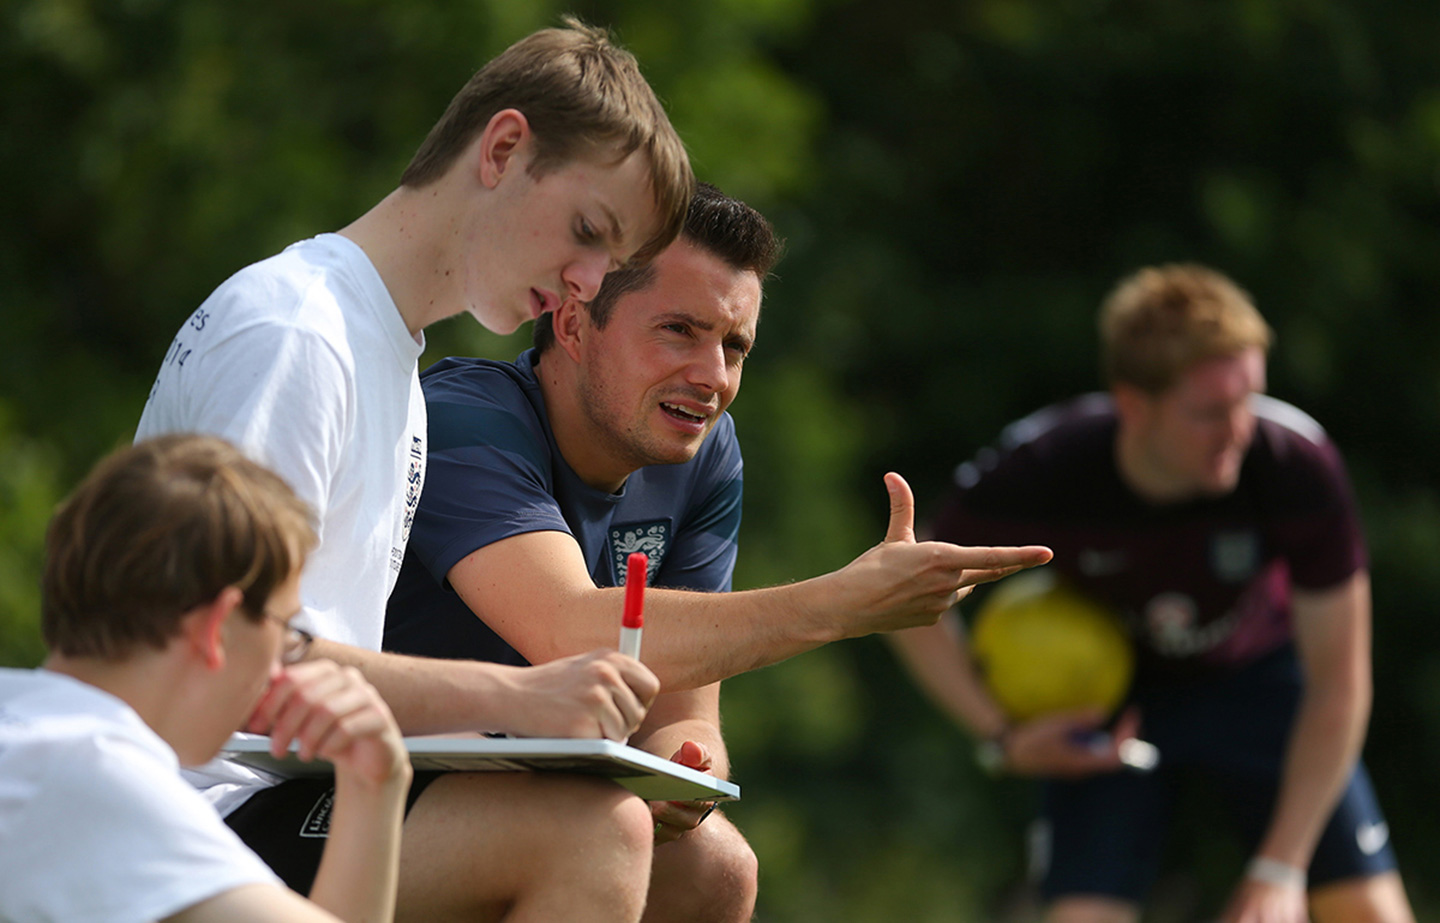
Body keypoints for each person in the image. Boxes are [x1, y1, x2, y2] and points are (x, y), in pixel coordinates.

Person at [383, 182, 1055, 922]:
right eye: (679, 330)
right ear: (573, 324)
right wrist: (840, 603)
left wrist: (685, 769)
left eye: (734, 345)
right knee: (602, 829)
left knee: (719, 869)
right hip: (332, 794)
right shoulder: (464, 419)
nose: (714, 378)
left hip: (505, 805)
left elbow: (684, 710)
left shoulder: (701, 453)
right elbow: (564, 629)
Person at [134, 18, 681, 921]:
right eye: (588, 231)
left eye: (612, 263)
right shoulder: (297, 335)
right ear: (503, 148)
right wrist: (525, 700)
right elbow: (236, 662)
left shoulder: (389, 360)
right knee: (596, 832)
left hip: (274, 795)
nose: (588, 281)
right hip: (183, 818)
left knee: (696, 864)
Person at [890, 264, 1416, 923]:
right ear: (1135, 405)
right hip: (1108, 700)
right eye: (1209, 411)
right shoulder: (1047, 466)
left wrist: (1280, 869)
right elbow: (905, 600)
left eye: (1248, 398)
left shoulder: (1296, 466)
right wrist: (1002, 735)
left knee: (1374, 913)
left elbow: (1340, 678)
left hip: (1262, 684)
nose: (1238, 430)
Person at [0, 434, 410, 923]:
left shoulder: (35, 734)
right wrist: (378, 785)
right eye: (288, 632)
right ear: (217, 627)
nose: (283, 666)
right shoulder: (95, 773)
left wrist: (370, 785)